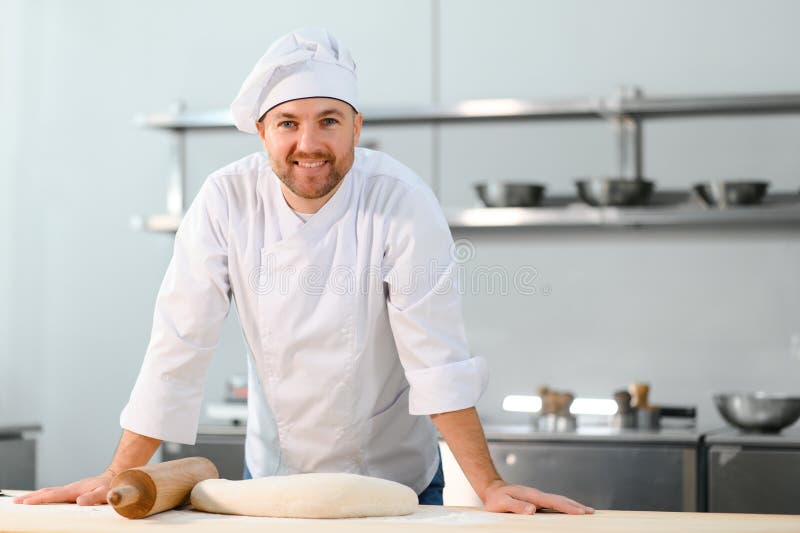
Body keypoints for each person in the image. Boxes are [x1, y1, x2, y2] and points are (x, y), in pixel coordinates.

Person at [15, 28, 593, 516]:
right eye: (288, 122)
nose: (308, 143)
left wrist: (488, 485)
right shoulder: (225, 201)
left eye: (328, 121)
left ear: (357, 127)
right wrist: (119, 473)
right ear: (263, 132)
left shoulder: (401, 201)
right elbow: (179, 345)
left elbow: (436, 358)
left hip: (396, 487)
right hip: (271, 482)